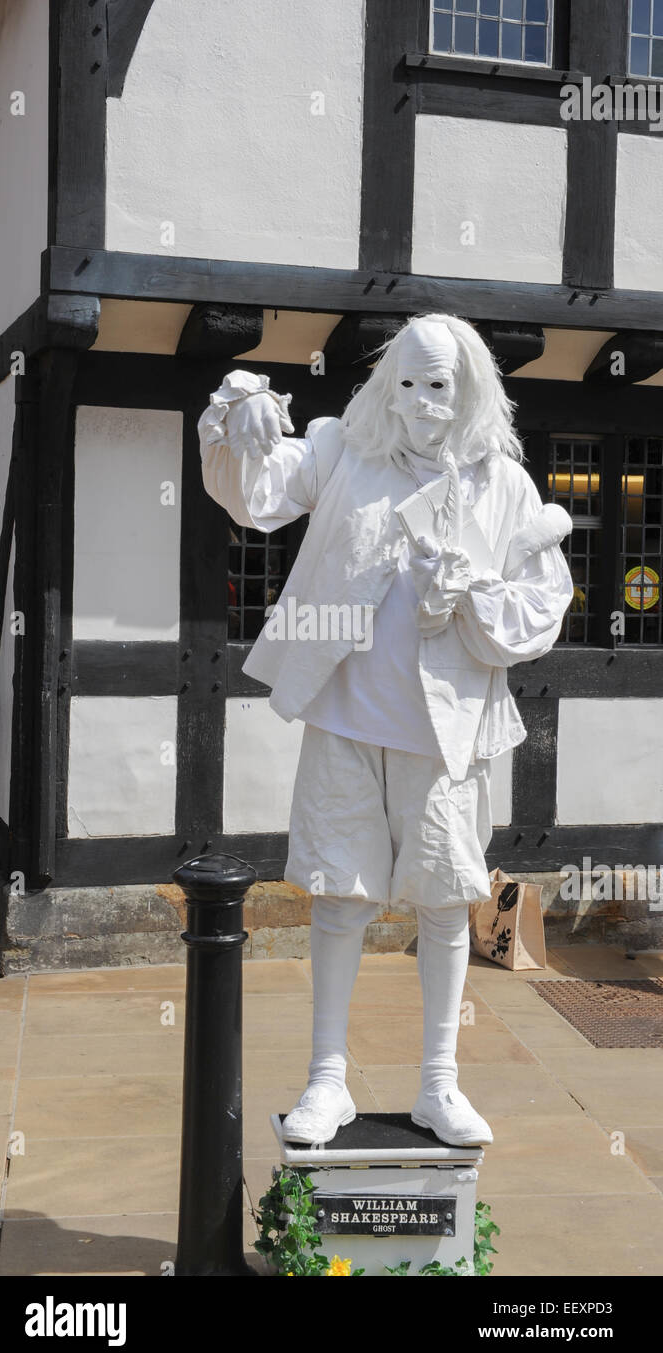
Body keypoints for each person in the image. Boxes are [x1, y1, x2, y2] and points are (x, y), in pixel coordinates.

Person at [198, 314, 573, 1147]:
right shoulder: (342, 451)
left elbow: (542, 604)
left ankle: (440, 1082)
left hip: (446, 733)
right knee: (338, 898)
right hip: (344, 718)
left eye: (437, 385)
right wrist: (240, 410)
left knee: (444, 905)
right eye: (404, 383)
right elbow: (258, 497)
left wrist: (471, 595)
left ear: (468, 388)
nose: (419, 402)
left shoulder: (504, 487)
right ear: (385, 384)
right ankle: (326, 1080)